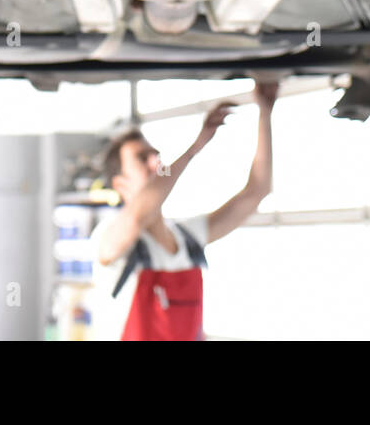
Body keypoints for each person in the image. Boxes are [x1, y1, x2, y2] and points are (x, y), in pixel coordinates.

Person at [87, 80, 278, 340]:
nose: (156, 161)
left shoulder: (188, 238)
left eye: (156, 155)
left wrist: (265, 112)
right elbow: (138, 215)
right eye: (143, 158)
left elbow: (256, 192)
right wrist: (196, 146)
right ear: (120, 184)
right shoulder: (109, 236)